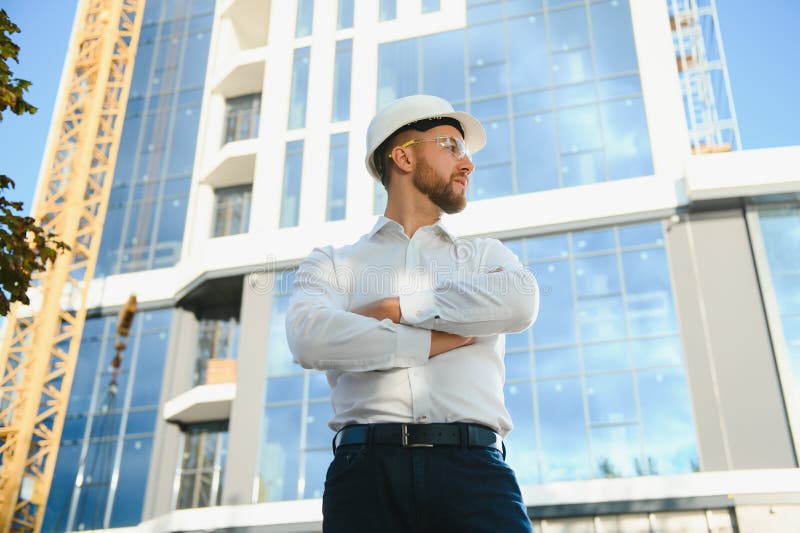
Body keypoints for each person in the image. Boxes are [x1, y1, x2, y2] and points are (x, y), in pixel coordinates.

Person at [286, 94, 539, 533]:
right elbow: (309, 337)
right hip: (365, 478)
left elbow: (520, 301)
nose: (467, 164)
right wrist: (432, 340)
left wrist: (397, 308)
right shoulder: (332, 262)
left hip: (475, 474)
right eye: (450, 146)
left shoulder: (484, 256)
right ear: (403, 157)